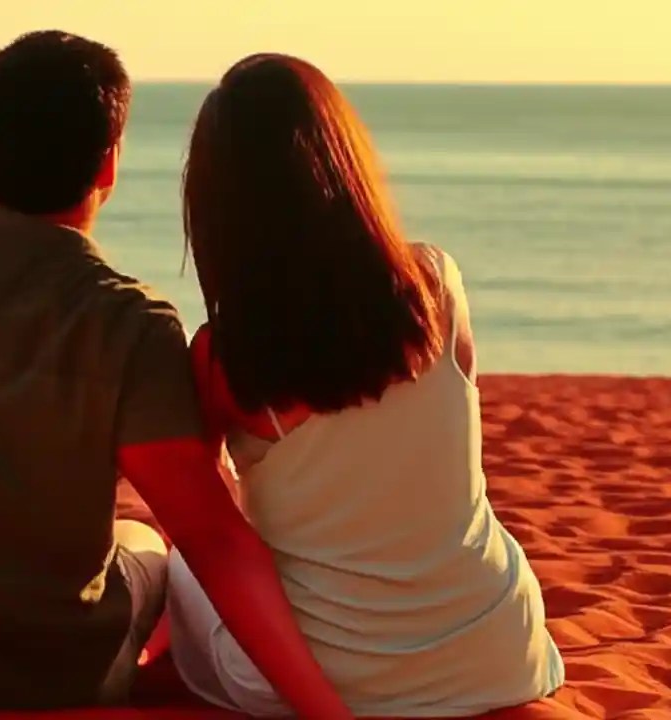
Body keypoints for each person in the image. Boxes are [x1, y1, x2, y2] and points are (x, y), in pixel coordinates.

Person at [0, 32, 351, 718]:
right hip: (52, 681)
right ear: (109, 163)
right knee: (144, 541)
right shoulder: (130, 323)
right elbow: (209, 535)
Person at [168, 53, 566, 718]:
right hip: (498, 654)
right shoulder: (433, 288)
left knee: (179, 562)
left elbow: (218, 533)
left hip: (330, 679)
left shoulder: (223, 359)